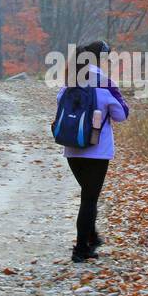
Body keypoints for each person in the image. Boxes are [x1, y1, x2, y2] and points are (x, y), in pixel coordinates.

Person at [55, 40, 129, 263]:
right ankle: (81, 250)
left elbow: (60, 106)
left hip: (72, 149)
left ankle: (92, 236)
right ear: (100, 60)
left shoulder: (69, 82)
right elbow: (121, 115)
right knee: (89, 199)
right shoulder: (105, 84)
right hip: (97, 151)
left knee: (88, 195)